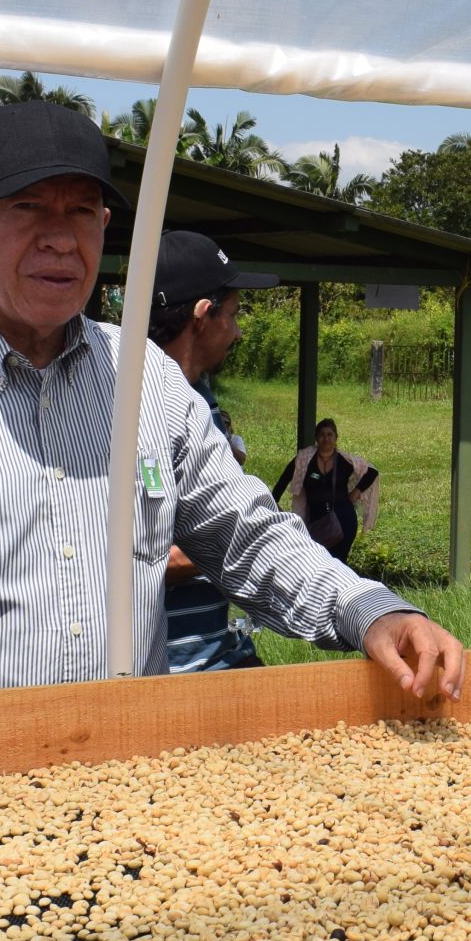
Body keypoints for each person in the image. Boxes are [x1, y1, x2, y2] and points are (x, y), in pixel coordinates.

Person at [0, 101, 465, 697]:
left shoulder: (147, 381)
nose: (60, 235)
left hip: (130, 801)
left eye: (81, 210)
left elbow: (247, 536)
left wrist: (372, 609)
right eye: (27, 206)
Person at [147, 229, 277, 673]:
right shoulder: (125, 409)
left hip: (219, 651)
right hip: (173, 669)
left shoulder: (203, 396)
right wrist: (228, 539)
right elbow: (110, 559)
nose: (238, 333)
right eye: (234, 315)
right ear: (203, 314)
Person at [275, 419, 380, 561]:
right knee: (319, 561)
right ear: (316, 438)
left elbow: (372, 472)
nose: (326, 438)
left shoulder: (345, 461)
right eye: (322, 434)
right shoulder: (304, 460)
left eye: (330, 434)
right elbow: (283, 481)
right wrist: (274, 505)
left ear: (336, 438)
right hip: (316, 519)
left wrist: (356, 493)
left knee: (340, 562)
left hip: (344, 518)